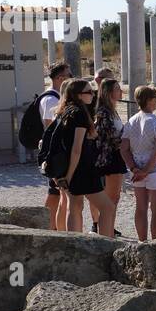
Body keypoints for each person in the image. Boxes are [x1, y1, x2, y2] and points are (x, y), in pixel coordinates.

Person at [50, 78, 115, 235]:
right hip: (81, 168)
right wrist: (69, 177)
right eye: (88, 92)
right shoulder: (79, 113)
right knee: (107, 207)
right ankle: (106, 245)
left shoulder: (63, 111)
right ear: (78, 95)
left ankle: (73, 243)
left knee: (75, 206)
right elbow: (76, 148)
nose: (92, 94)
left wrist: (64, 175)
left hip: (67, 167)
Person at [120, 86, 156, 240]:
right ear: (150, 100)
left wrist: (134, 168)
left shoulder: (131, 121)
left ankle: (142, 241)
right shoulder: (155, 121)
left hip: (137, 170)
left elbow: (124, 149)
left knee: (140, 208)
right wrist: (147, 170)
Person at [92, 79, 128, 235]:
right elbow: (109, 138)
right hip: (110, 158)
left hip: (116, 157)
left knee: (115, 198)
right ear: (108, 92)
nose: (121, 91)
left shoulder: (113, 110)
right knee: (110, 199)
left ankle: (109, 231)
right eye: (117, 88)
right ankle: (106, 233)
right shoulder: (104, 113)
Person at [40, 63, 71, 229]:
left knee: (55, 194)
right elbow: (49, 127)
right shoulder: (51, 99)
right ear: (60, 78)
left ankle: (49, 225)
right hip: (55, 153)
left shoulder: (55, 97)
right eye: (69, 74)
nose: (71, 77)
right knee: (57, 193)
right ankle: (51, 226)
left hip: (55, 152)